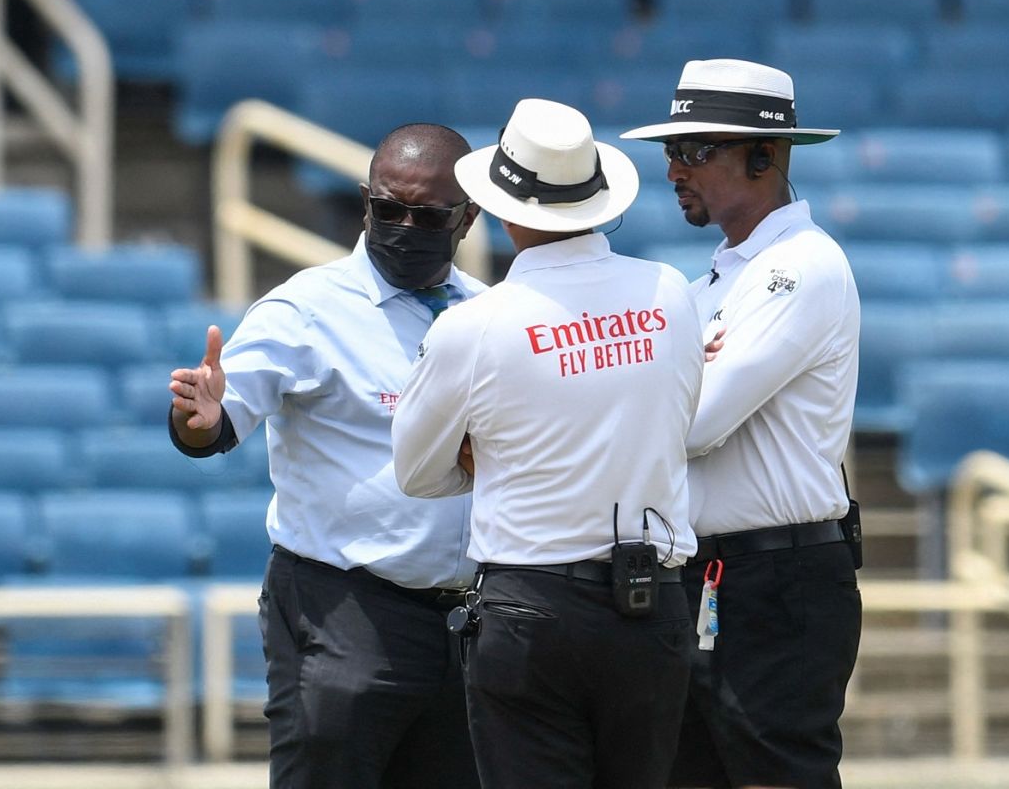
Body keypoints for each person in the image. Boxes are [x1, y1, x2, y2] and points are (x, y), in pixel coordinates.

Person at [392, 98, 705, 789]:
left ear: (498, 206)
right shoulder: (670, 293)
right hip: (651, 601)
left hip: (531, 606)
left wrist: (490, 460)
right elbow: (674, 418)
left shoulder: (473, 326)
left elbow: (414, 471)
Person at [167, 124, 486, 789]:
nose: (404, 227)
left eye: (428, 215)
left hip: (468, 622)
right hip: (346, 612)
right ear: (365, 201)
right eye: (388, 208)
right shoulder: (305, 308)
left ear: (468, 217)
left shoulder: (488, 314)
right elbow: (215, 425)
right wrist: (198, 417)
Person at [621, 58, 863, 789]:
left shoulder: (802, 267)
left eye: (695, 150)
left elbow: (695, 423)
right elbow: (673, 410)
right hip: (716, 574)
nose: (674, 169)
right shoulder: (713, 284)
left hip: (773, 579)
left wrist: (669, 379)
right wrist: (673, 377)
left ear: (764, 156)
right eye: (672, 150)